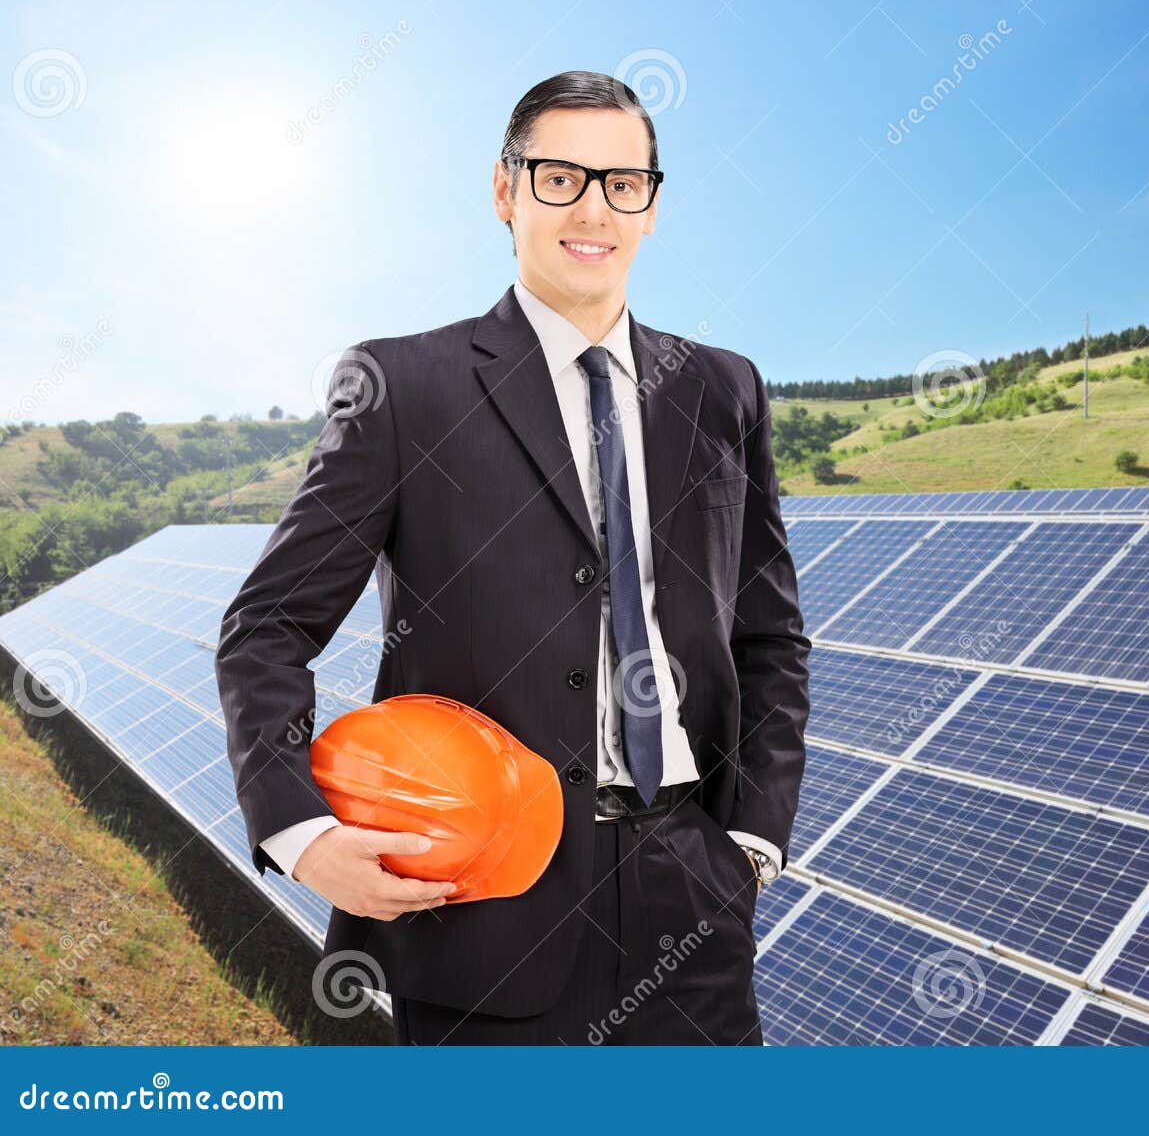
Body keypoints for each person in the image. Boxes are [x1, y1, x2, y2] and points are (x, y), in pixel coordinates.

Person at [215, 70, 810, 1045]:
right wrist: (301, 829)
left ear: (653, 206)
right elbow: (268, 628)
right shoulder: (404, 384)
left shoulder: (722, 390)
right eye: (560, 177)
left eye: (624, 183)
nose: (594, 208)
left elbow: (769, 633)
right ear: (505, 191)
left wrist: (749, 839)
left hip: (691, 902)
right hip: (479, 899)